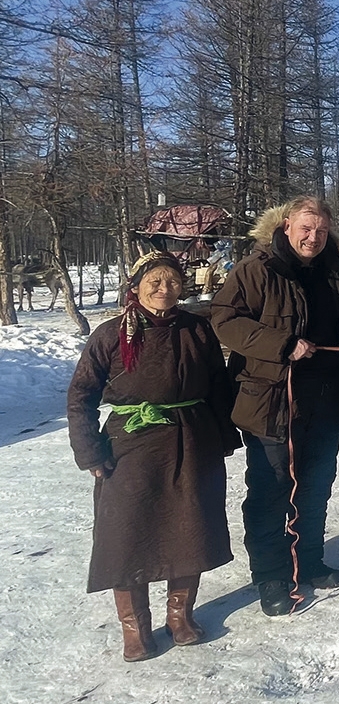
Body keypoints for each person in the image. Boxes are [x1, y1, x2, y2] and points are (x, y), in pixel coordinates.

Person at [67, 253, 240, 661]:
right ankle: (135, 626)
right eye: (155, 281)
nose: (165, 289)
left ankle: (179, 615)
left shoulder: (197, 329)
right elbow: (81, 395)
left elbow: (218, 385)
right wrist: (90, 449)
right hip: (130, 445)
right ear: (137, 285)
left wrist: (223, 438)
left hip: (192, 439)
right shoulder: (111, 334)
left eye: (173, 281)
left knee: (190, 526)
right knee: (125, 534)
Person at [211, 196, 339, 616]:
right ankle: (272, 575)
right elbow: (225, 319)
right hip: (271, 401)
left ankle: (308, 559)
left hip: (325, 398)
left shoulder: (334, 271)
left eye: (322, 230)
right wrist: (282, 344)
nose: (313, 237)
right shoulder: (258, 268)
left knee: (315, 484)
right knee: (272, 490)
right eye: (306, 228)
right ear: (287, 225)